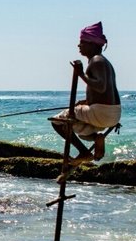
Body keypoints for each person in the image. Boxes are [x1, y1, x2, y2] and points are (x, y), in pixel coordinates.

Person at [49, 21, 121, 164]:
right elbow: (106, 92)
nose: (79, 45)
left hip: (101, 113)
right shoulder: (105, 62)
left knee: (57, 121)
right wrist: (87, 102)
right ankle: (97, 138)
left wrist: (81, 74)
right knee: (81, 131)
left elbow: (100, 87)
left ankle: (84, 153)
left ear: (92, 44)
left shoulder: (96, 60)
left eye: (82, 42)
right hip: (113, 114)